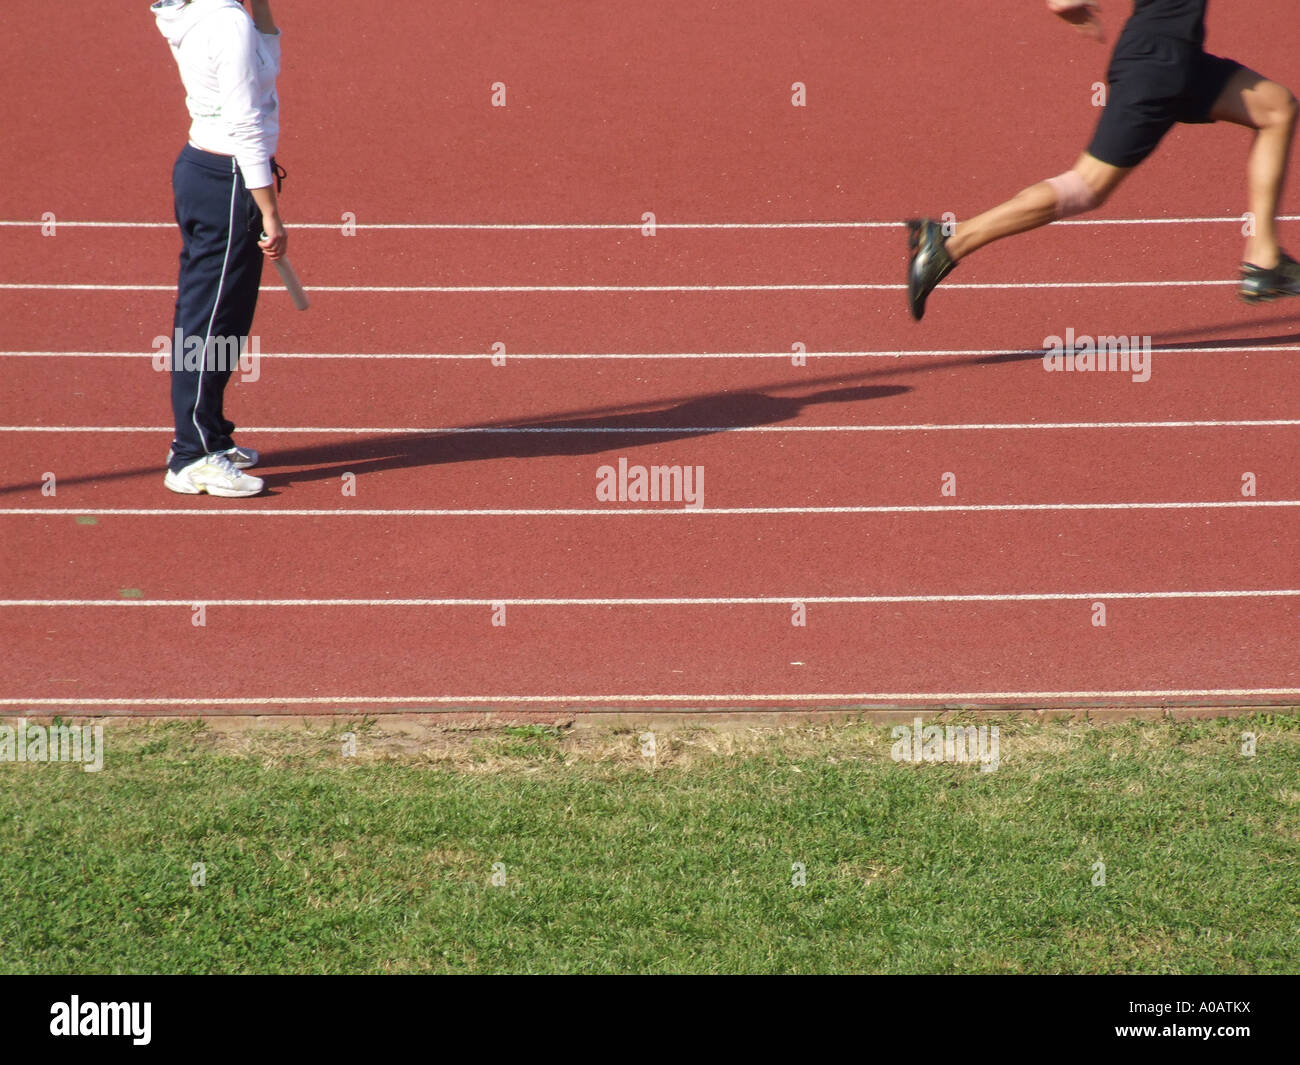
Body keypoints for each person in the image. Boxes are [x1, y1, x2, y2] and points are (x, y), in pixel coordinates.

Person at [907, 0, 1300, 320]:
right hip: (1158, 65)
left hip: (1178, 59)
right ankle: (950, 241)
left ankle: (1264, 260)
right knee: (1085, 188)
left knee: (1277, 108)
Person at [152, 0, 288, 495]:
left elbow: (264, 61)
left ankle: (208, 431)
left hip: (213, 175)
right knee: (206, 321)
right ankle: (191, 455)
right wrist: (269, 210)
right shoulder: (226, 23)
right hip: (228, 180)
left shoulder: (215, 14)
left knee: (225, 320)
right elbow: (245, 120)